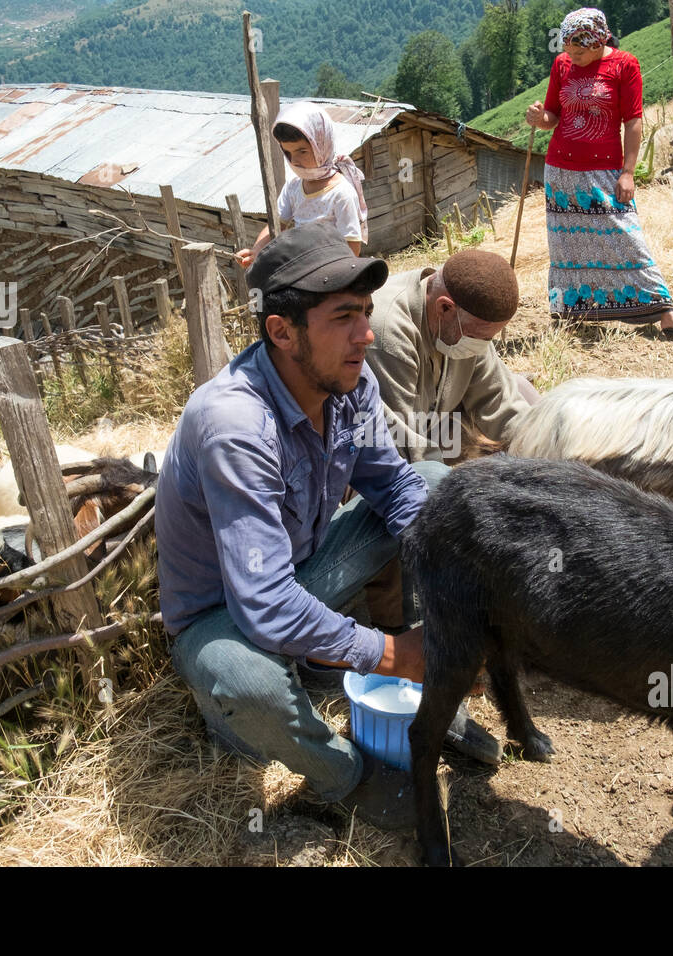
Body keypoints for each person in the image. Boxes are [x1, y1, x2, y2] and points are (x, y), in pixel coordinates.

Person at [156, 223, 498, 829]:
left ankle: (428, 701)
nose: (366, 335)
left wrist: (454, 607)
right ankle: (346, 774)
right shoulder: (235, 424)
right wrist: (394, 655)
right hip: (224, 618)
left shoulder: (348, 382)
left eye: (366, 313)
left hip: (302, 572)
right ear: (282, 331)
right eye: (344, 317)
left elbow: (392, 483)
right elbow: (262, 602)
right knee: (249, 684)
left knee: (438, 489)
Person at [525, 7, 673, 341]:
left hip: (605, 169)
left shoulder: (624, 65)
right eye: (568, 49)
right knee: (568, 245)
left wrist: (628, 172)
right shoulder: (562, 65)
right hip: (562, 171)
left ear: (598, 40)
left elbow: (633, 121)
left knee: (626, 238)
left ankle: (665, 313)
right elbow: (552, 116)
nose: (572, 56)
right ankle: (572, 314)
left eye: (579, 50)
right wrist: (538, 117)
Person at [365, 249, 536, 464]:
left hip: (433, 424)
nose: (481, 345)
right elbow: (404, 443)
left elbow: (498, 401)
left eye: (488, 338)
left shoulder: (465, 322)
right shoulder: (387, 331)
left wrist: (543, 455)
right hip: (385, 443)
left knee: (522, 391)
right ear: (445, 308)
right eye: (476, 336)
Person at [234, 102, 368, 269]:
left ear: (322, 146)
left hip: (333, 269)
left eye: (302, 151)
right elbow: (276, 225)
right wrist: (256, 250)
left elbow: (352, 247)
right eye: (287, 153)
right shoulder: (293, 186)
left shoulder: (341, 193)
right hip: (301, 266)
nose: (294, 160)